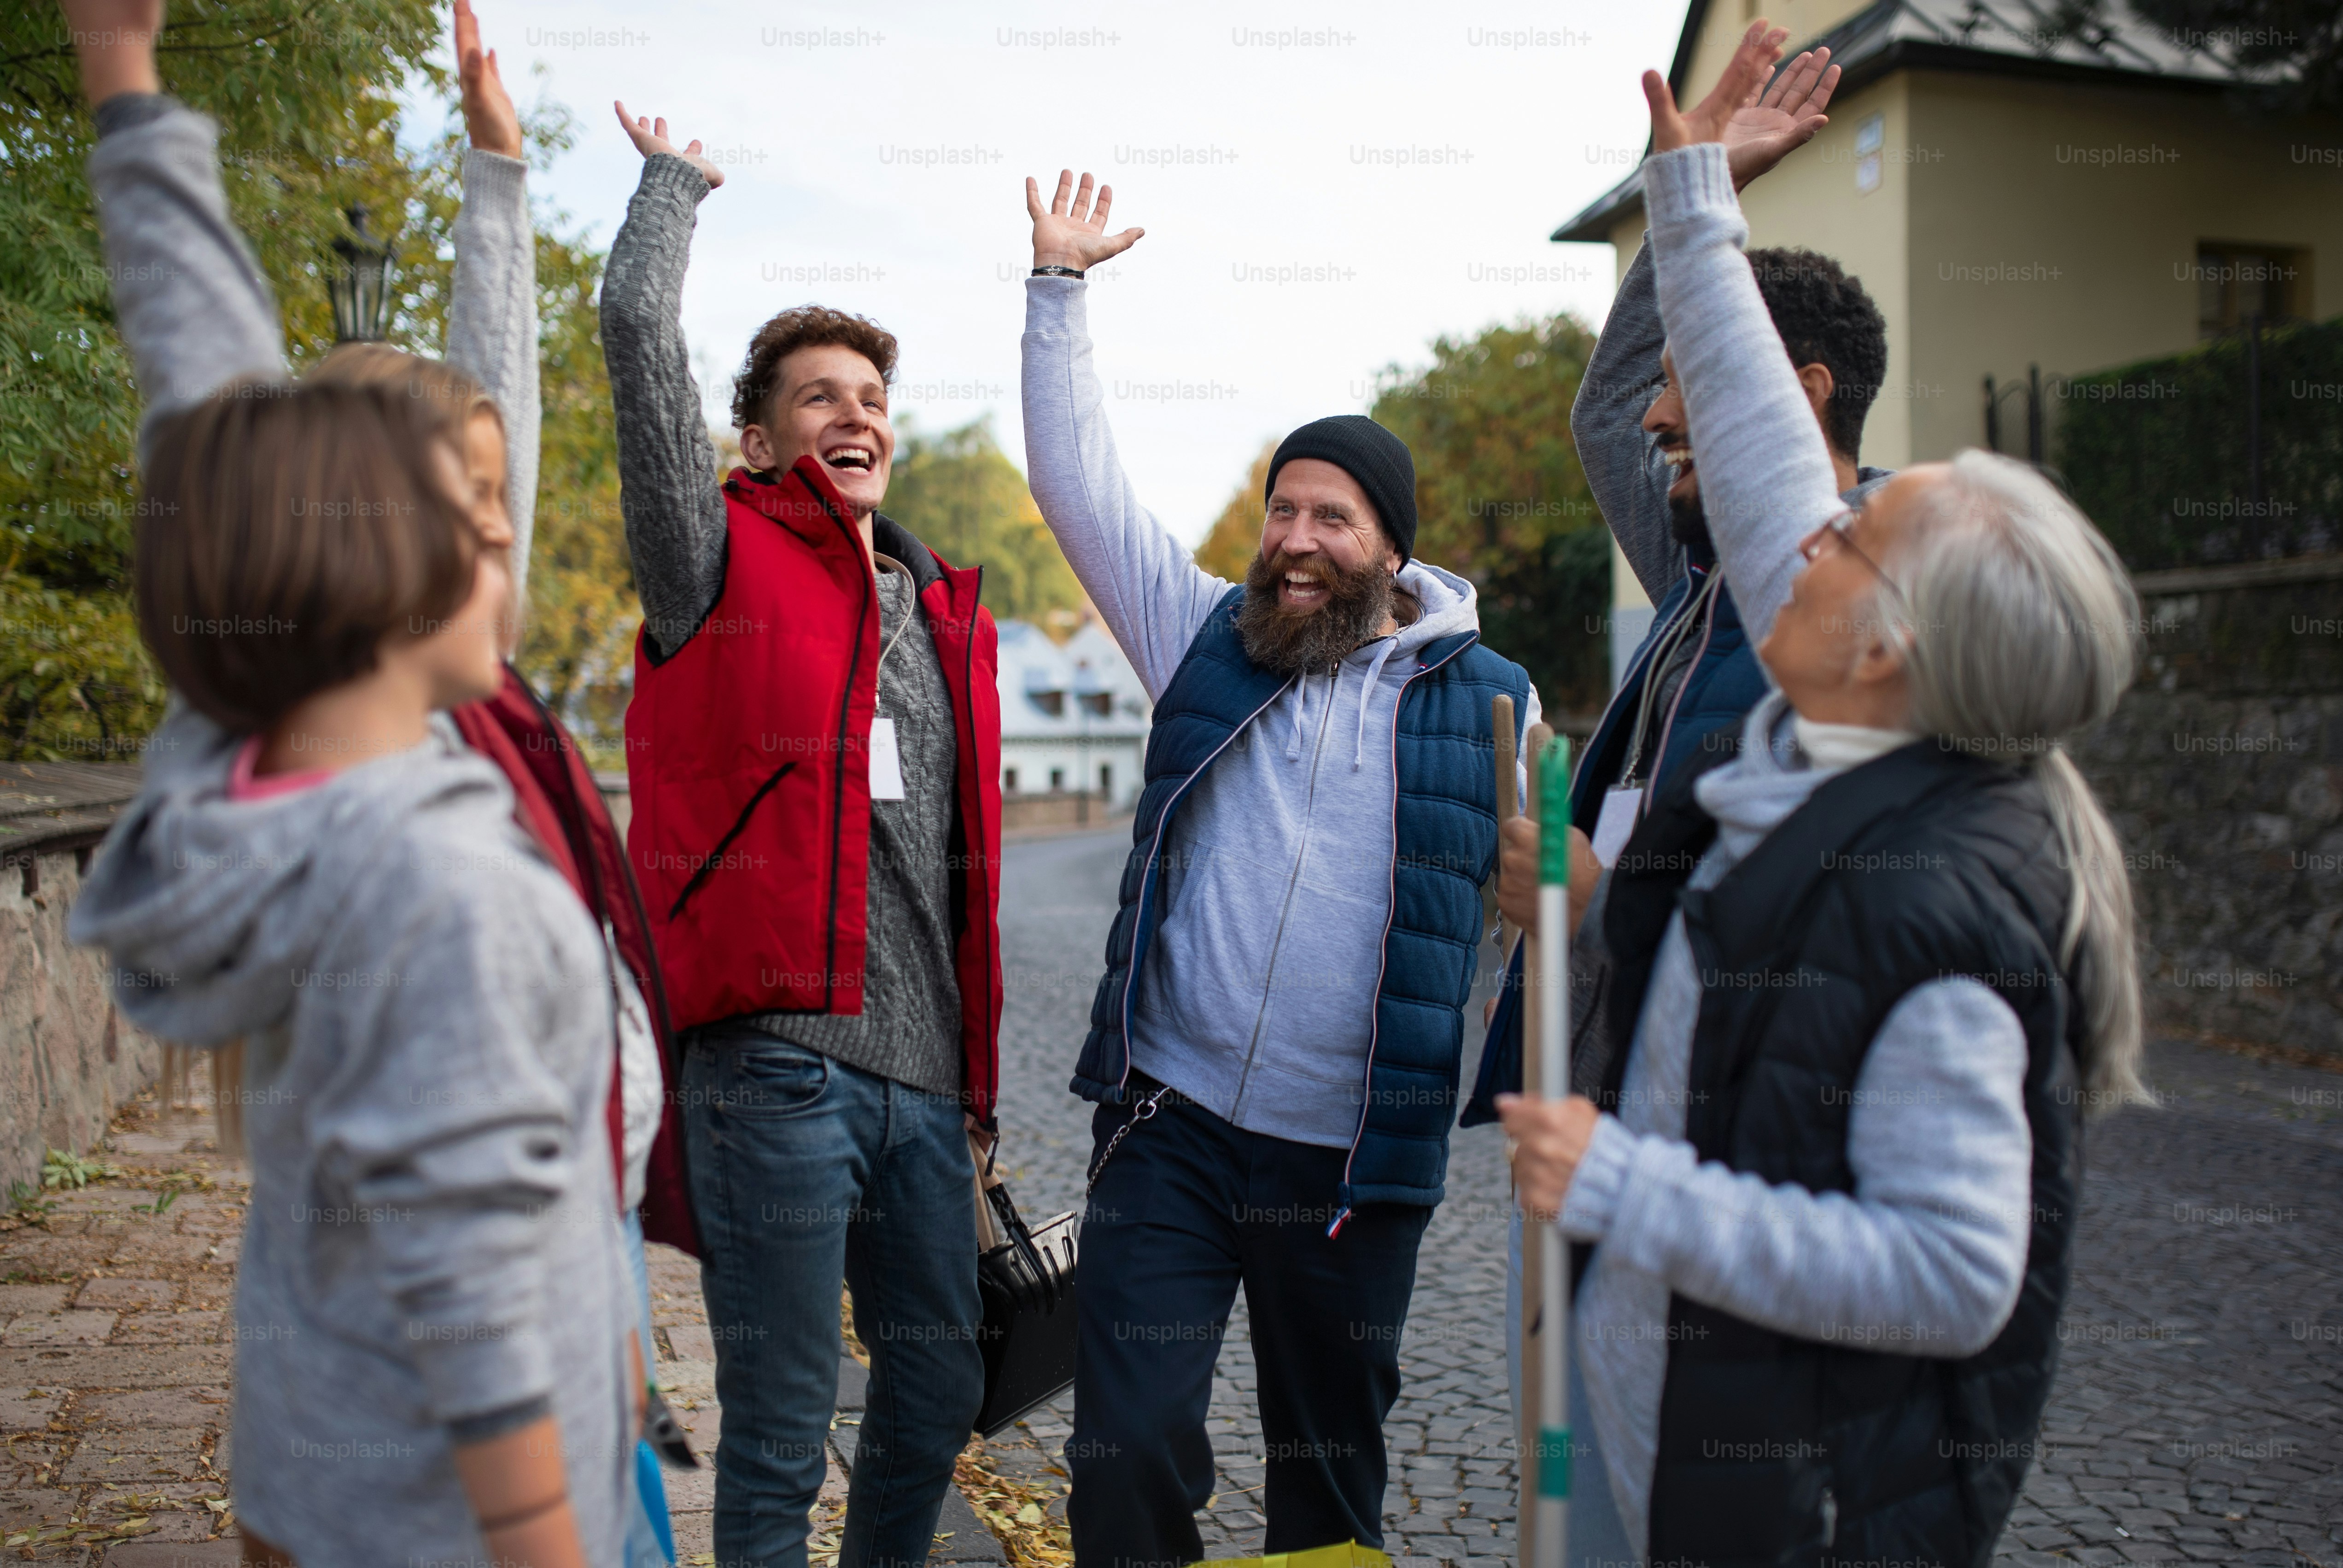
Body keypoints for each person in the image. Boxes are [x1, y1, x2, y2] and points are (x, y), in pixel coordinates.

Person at [1497, 24, 2147, 1567]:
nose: (1808, 537)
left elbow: (1950, 1271)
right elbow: (1738, 426)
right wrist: (1692, 197)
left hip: (1769, 1508)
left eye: (1852, 537)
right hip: (1649, 1417)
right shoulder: (1833, 728)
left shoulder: (1932, 900)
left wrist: (1622, 1181)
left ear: (1891, 641)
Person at [59, 12, 636, 1568]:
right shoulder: (435, 883)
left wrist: (130, 95)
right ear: (373, 567)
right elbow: (469, 1282)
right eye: (479, 514)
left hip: (317, 1466)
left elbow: (204, 398)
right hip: (466, 1517)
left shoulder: (236, 747)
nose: (508, 534)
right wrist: (549, 1540)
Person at [1018, 170, 1537, 1561]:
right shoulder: (1201, 632)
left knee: (1326, 1496)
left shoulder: (1494, 700)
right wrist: (1058, 290)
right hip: (1172, 1128)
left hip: (1356, 1162)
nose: (1297, 542)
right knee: (1123, 1452)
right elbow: (1078, 489)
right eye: (1282, 511)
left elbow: (1545, 911)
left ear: (1391, 550)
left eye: (1332, 518)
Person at [600, 105, 1005, 1568]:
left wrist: (973, 1096)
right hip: (775, 1063)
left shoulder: (948, 611)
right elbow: (638, 337)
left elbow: (958, 870)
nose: (855, 416)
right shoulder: (709, 554)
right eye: (817, 397)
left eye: (871, 396)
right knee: (775, 1420)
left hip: (922, 1090)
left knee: (940, 1387)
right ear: (761, 434)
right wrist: (673, 188)